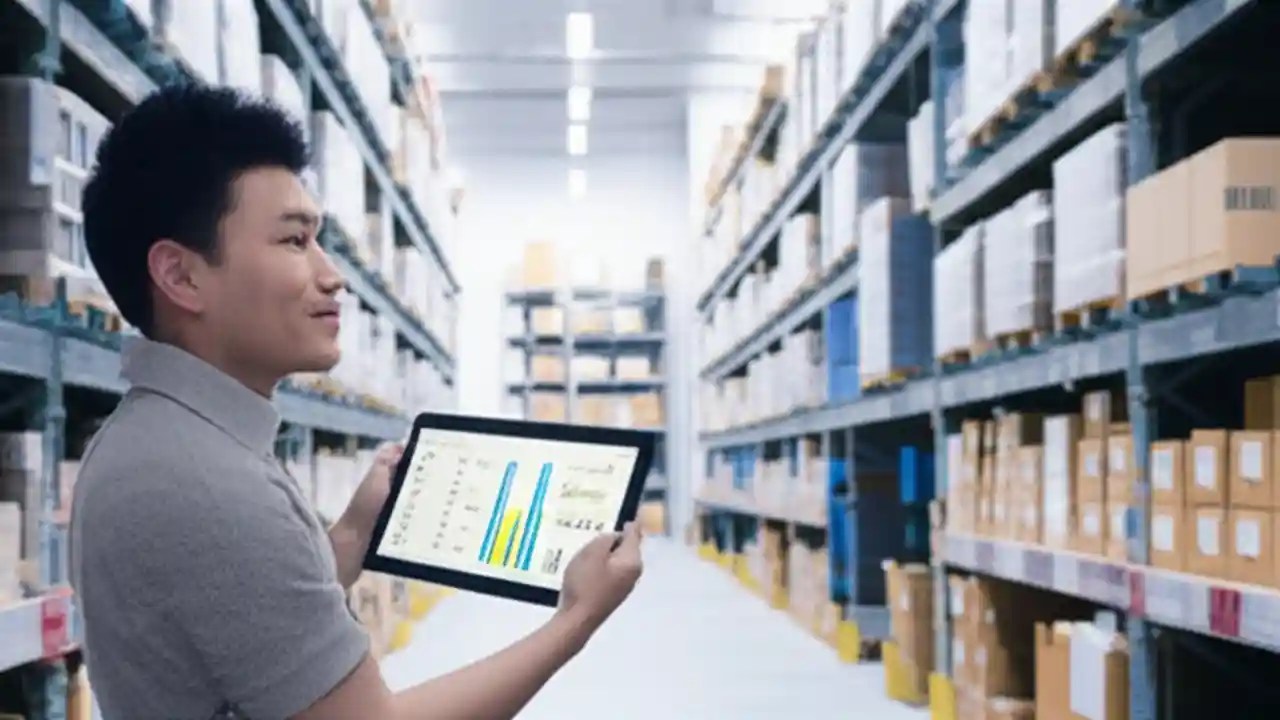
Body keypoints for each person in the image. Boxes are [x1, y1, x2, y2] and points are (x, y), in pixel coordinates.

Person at [68, 83, 644, 720]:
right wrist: (576, 619)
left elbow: (248, 621)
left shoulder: (165, 437)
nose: (331, 274)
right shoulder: (205, 482)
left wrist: (353, 532)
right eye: (293, 241)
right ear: (181, 276)